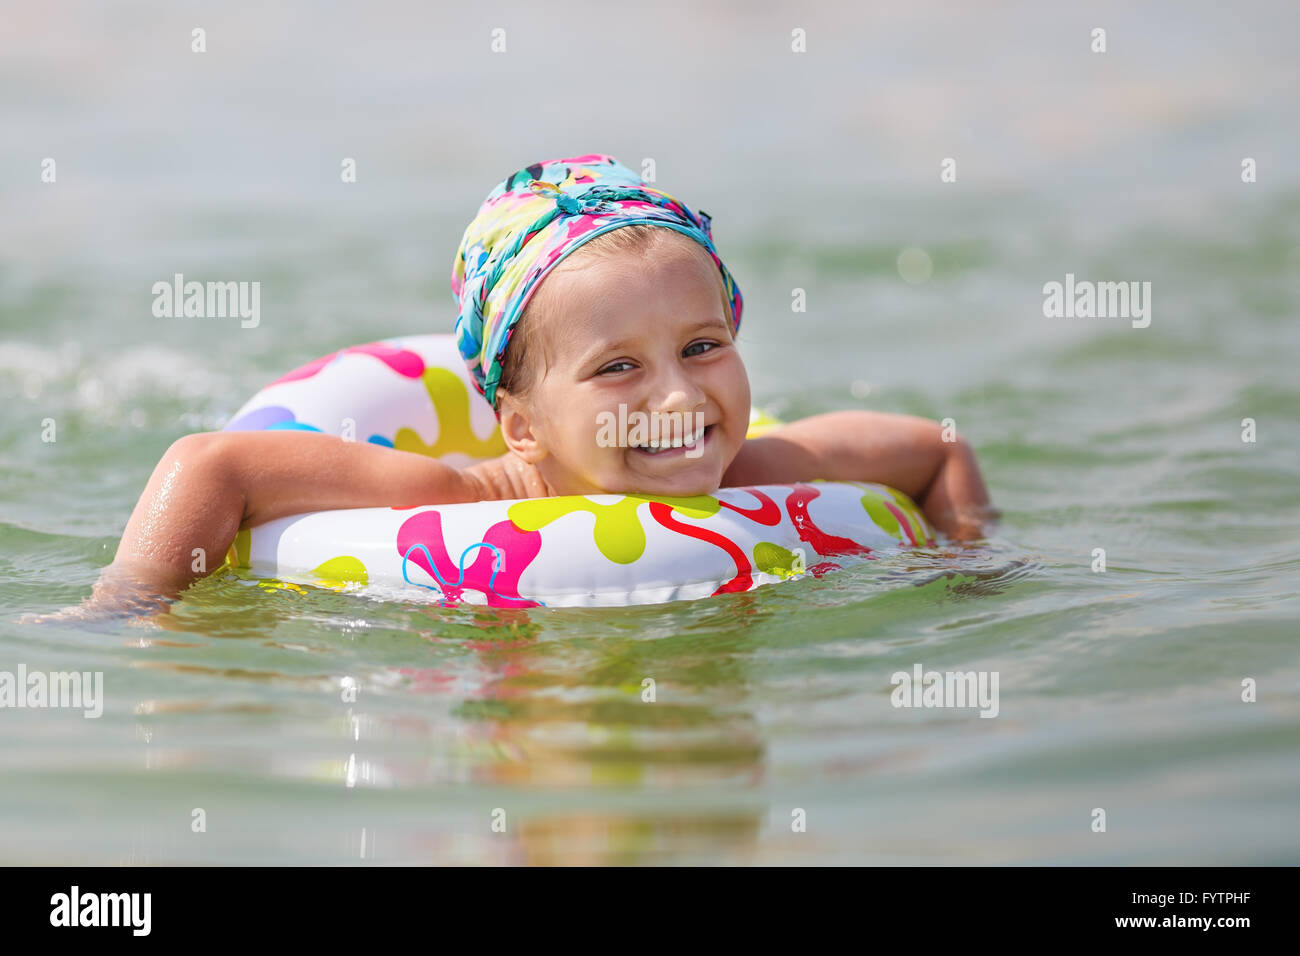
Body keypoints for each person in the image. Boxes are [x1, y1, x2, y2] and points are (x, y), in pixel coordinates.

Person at [50, 153, 992, 617]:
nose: (678, 399)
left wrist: (973, 561)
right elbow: (210, 463)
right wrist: (132, 606)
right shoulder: (443, 494)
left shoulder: (766, 468)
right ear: (523, 426)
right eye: (618, 366)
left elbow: (937, 447)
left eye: (702, 345)